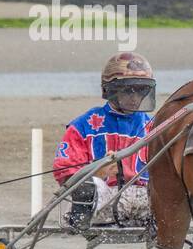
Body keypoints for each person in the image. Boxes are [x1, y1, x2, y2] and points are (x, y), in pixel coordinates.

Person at [55, 51, 155, 226]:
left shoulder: (155, 127)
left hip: (149, 202)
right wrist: (97, 172)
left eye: (141, 91)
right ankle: (80, 218)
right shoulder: (83, 125)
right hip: (106, 199)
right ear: (111, 90)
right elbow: (63, 171)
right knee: (87, 185)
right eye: (128, 91)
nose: (135, 97)